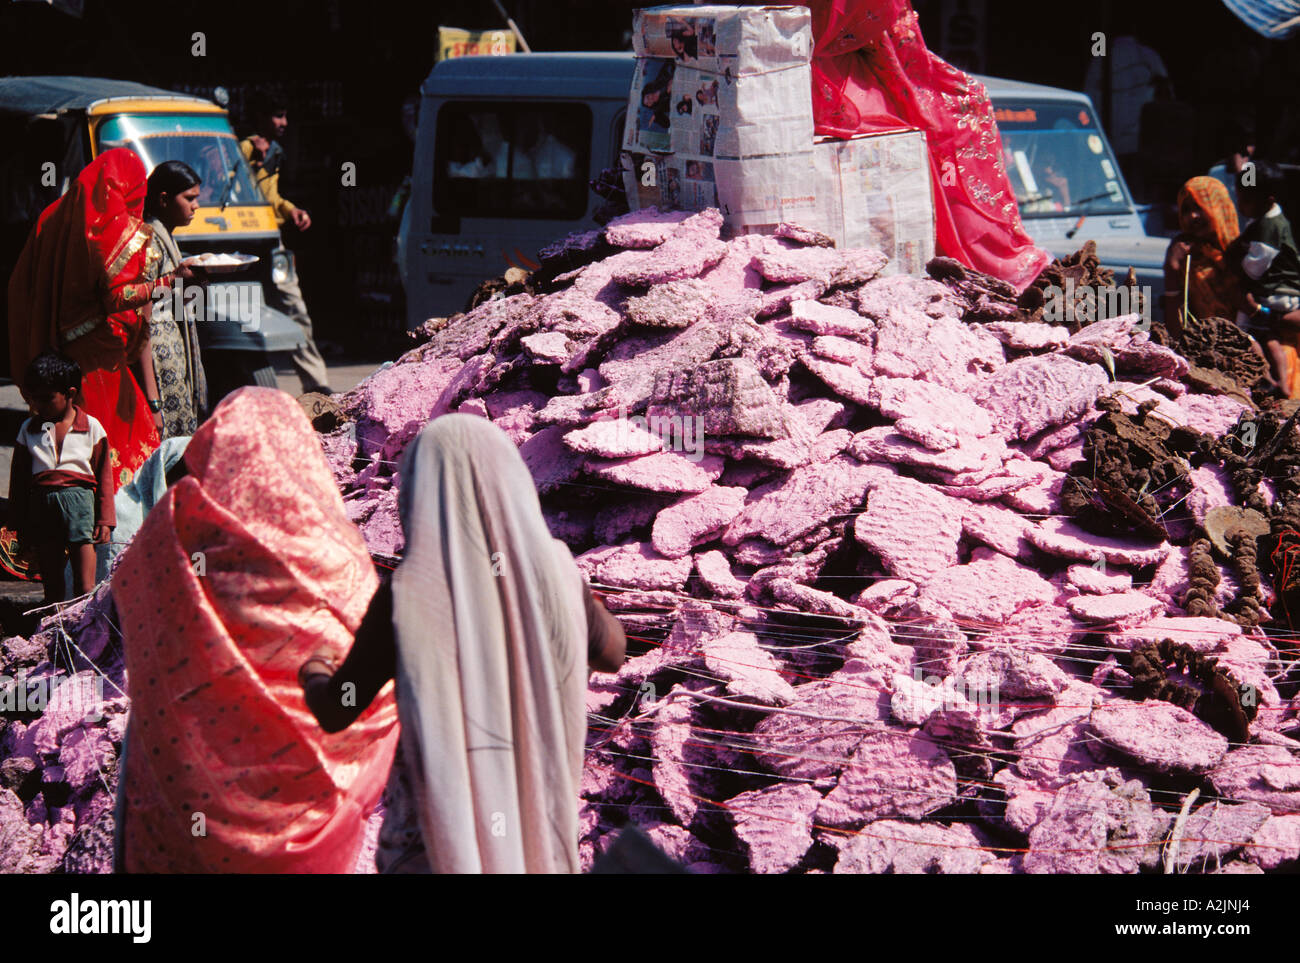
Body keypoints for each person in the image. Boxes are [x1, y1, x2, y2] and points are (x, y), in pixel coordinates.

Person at [299, 415, 626, 873]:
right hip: (536, 841)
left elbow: (336, 711)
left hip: (431, 849)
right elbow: (613, 653)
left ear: (418, 495)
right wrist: (574, 600)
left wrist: (313, 668)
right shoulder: (558, 577)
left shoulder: (407, 595)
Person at [112, 387, 399, 872]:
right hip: (303, 806)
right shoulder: (334, 552)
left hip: (182, 780)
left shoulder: (175, 530)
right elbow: (369, 684)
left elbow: (133, 602)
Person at [7, 148, 164, 488]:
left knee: (69, 443)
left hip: (59, 350)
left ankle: (65, 518)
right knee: (109, 444)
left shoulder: (53, 215)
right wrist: (170, 282)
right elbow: (116, 298)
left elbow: (23, 285)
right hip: (99, 362)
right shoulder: (108, 224)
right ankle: (109, 527)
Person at [239, 94, 333, 395]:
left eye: (285, 116)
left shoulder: (276, 150)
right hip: (244, 243)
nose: (284, 123)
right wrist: (253, 162)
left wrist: (290, 209)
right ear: (261, 118)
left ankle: (317, 386)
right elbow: (236, 191)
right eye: (278, 116)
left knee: (296, 308)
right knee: (244, 311)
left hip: (273, 242)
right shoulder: (241, 149)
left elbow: (272, 197)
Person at [8, 350, 114, 602]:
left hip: (80, 506)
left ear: (70, 394)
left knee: (85, 584)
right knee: (52, 581)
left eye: (46, 399)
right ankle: (55, 630)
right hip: (42, 507)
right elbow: (19, 477)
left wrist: (105, 519)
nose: (37, 407)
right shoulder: (28, 429)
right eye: (33, 400)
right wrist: (17, 522)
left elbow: (104, 475)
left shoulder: (92, 427)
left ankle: (83, 629)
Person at [142, 160, 208, 438]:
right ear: (164, 199)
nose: (196, 206)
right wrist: (152, 399)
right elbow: (141, 304)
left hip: (172, 351)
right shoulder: (148, 240)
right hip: (158, 357)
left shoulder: (166, 235)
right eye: (189, 198)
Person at [1234, 159, 1300, 394]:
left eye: (1246, 200)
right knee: (1269, 337)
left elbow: (1254, 267)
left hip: (1274, 292)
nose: (1240, 205)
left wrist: (1238, 263)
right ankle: (1281, 382)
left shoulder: (1268, 227)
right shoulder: (1270, 219)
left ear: (1268, 200)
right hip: (1285, 293)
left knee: (1245, 332)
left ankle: (1264, 377)